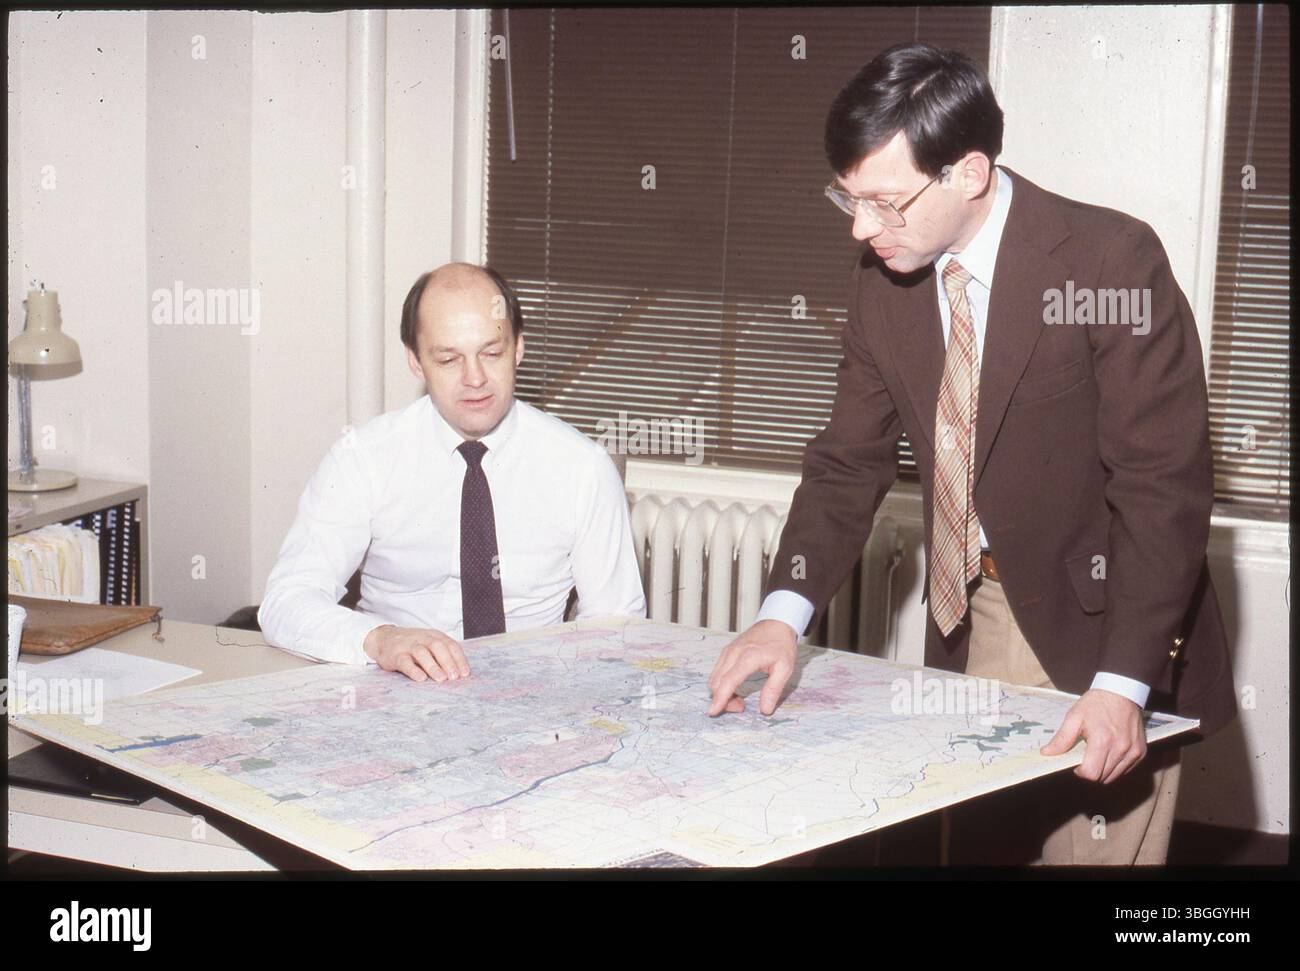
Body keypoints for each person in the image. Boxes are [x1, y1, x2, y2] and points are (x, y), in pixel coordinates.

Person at [705, 43, 1235, 865]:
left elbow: (1162, 487)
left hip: (1099, 630)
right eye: (848, 198)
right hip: (969, 622)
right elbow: (849, 459)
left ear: (970, 172)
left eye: (884, 201)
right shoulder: (883, 277)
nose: (860, 226)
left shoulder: (1109, 260)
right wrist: (783, 617)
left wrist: (1123, 684)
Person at [260, 262, 645, 681]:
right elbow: (286, 601)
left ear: (519, 347)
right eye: (448, 359)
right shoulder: (363, 457)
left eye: (491, 353)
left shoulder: (583, 467)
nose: (475, 379)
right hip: (392, 693)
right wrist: (382, 639)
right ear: (415, 362)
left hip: (532, 695)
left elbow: (616, 624)